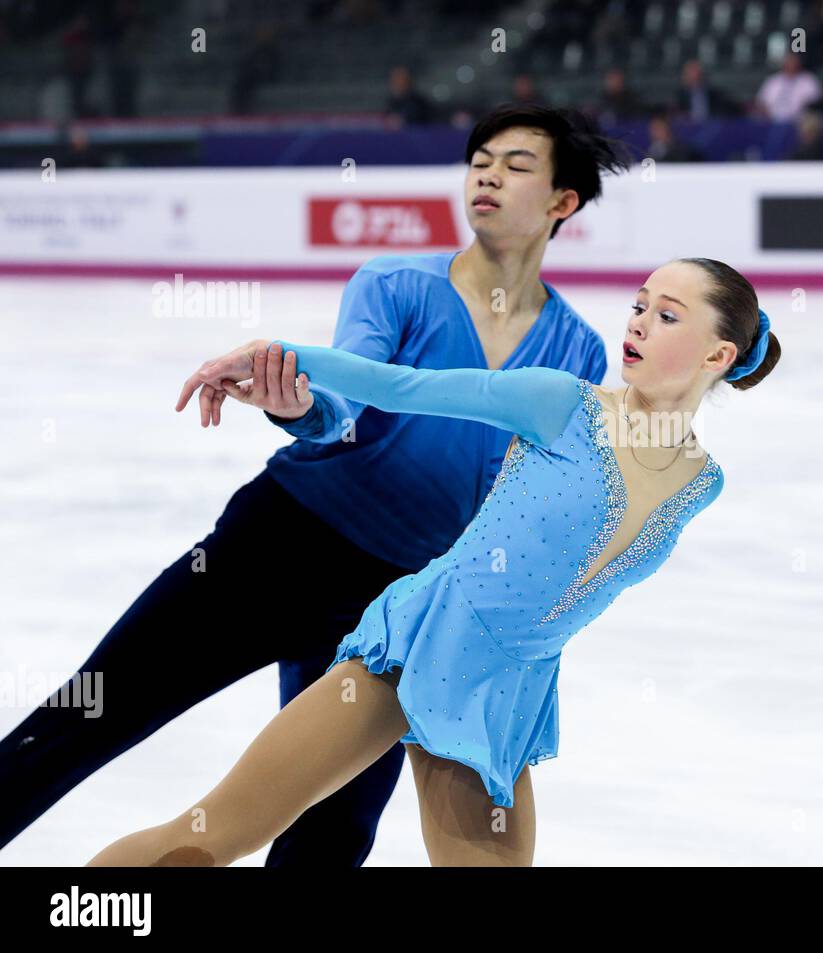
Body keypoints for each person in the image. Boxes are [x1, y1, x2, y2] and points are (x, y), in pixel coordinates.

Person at [0, 104, 631, 867]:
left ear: (563, 202)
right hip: (280, 547)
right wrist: (300, 404)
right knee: (87, 716)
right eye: (479, 161)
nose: (488, 175)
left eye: (517, 164)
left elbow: (522, 499)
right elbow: (346, 399)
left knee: (333, 833)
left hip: (393, 607)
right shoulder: (396, 283)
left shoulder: (575, 347)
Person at [86, 256, 781, 866]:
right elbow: (403, 387)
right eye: (637, 306)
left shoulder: (699, 484)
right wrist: (281, 354)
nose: (636, 323)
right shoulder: (563, 405)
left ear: (719, 355)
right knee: (205, 844)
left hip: (504, 696)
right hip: (416, 648)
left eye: (665, 315)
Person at [755, 52, 823, 123]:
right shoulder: (773, 81)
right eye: (788, 62)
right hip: (773, 122)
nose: (791, 65)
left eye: (793, 62)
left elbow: (815, 103)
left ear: (799, 64)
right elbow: (761, 103)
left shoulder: (809, 80)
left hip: (801, 124)